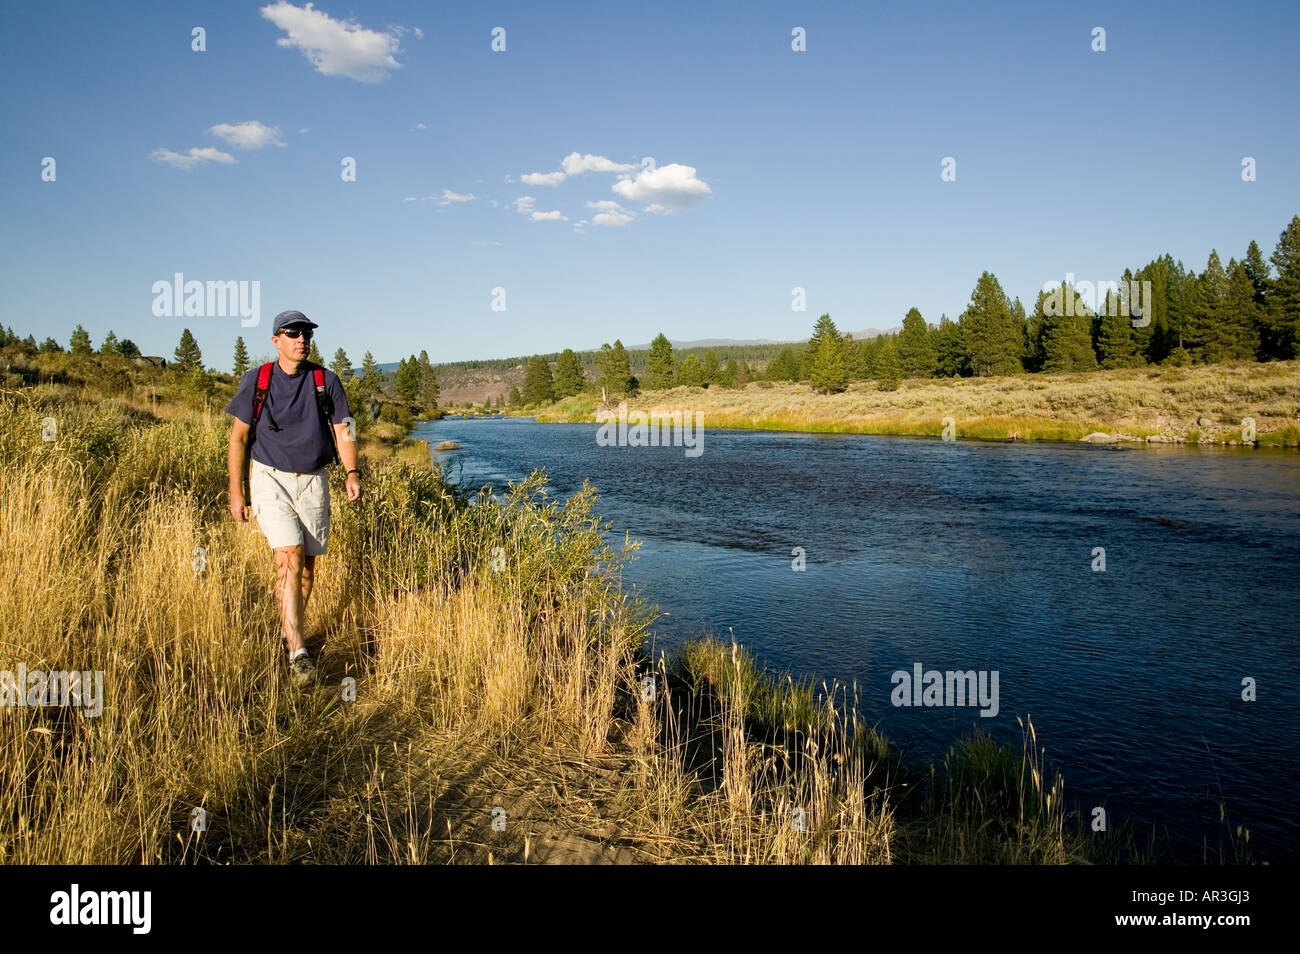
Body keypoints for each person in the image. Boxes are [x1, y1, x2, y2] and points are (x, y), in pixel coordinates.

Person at [225, 311, 362, 686]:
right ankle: (298, 651)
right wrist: (237, 492)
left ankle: (288, 631)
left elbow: (344, 429)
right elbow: (237, 438)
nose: (302, 340)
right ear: (276, 340)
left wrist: (352, 472)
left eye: (306, 334)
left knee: (307, 570)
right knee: (289, 556)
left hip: (314, 480)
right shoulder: (258, 380)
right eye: (293, 334)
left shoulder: (325, 381)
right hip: (270, 477)